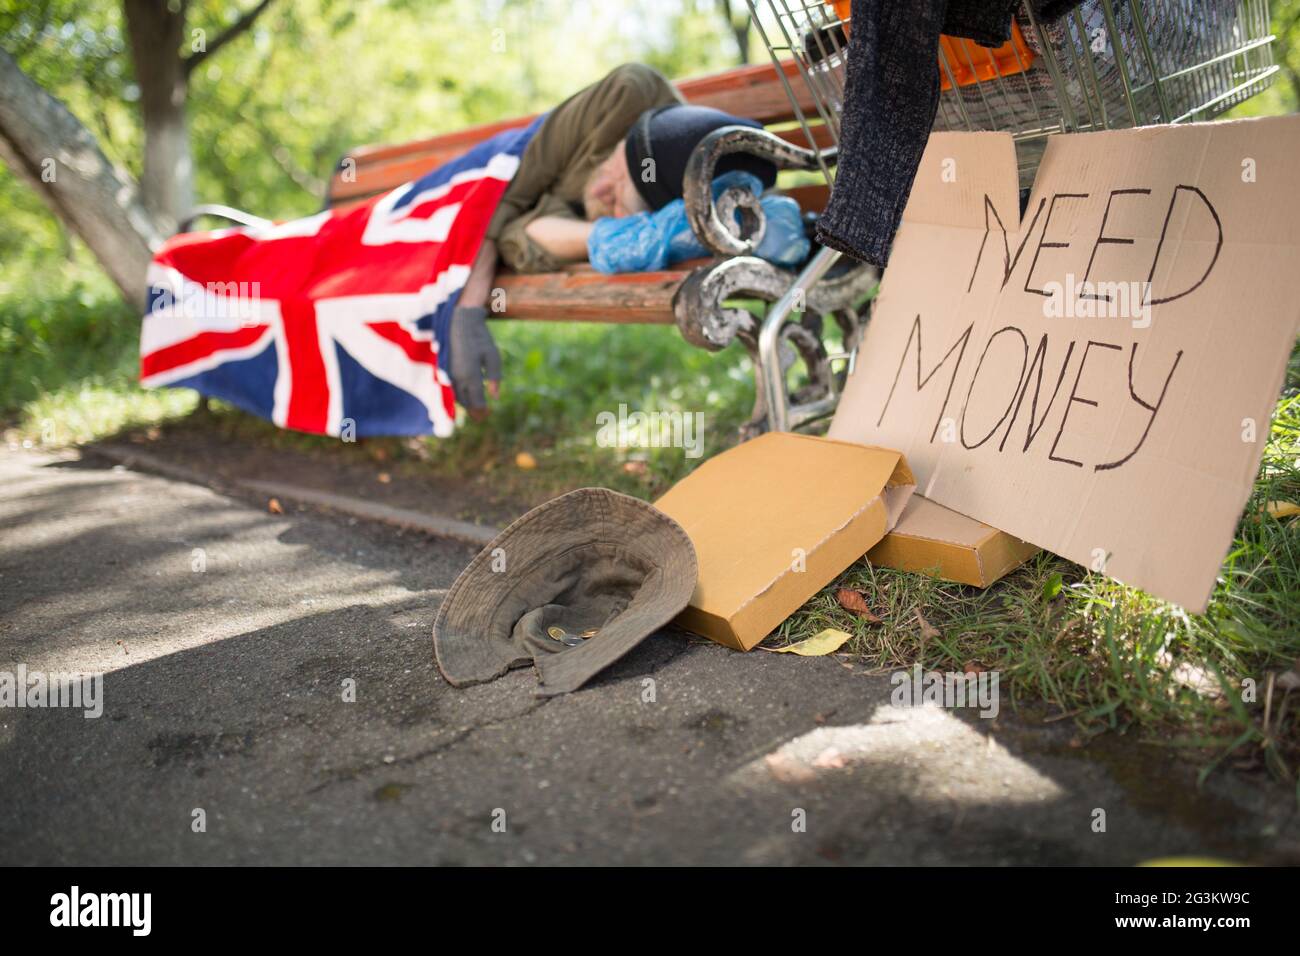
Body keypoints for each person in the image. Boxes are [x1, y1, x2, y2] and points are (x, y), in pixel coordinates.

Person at [448, 63, 775, 418]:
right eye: (611, 166)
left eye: (616, 198)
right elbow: (500, 197)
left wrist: (605, 236)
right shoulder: (626, 95)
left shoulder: (666, 213)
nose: (601, 187)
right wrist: (470, 308)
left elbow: (518, 236)